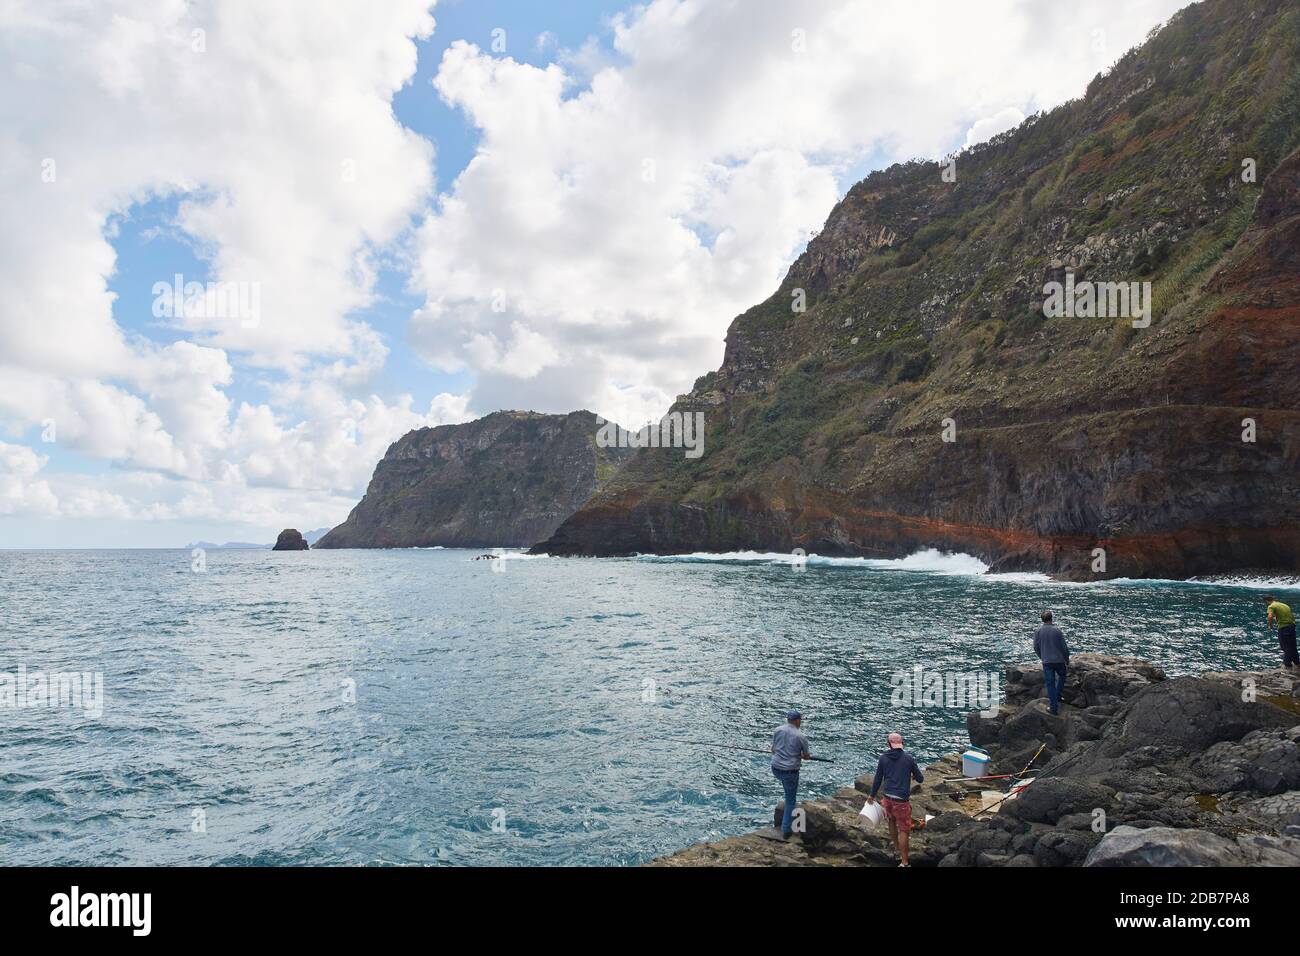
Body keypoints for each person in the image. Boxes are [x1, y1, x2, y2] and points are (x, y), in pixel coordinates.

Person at [866, 732, 924, 866]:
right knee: (904, 829)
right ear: (901, 744)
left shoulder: (883, 758)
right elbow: (920, 778)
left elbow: (878, 779)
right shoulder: (908, 759)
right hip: (901, 800)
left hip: (887, 797)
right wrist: (914, 776)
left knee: (891, 820)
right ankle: (904, 862)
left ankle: (897, 848)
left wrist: (872, 795)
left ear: (889, 744)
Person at [771, 710, 813, 840]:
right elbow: (806, 756)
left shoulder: (778, 730)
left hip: (775, 768)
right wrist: (805, 756)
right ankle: (786, 830)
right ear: (797, 721)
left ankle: (785, 822)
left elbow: (773, 749)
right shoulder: (801, 736)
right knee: (790, 801)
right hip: (789, 771)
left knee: (786, 787)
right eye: (800, 720)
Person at [1033, 610, 1070, 714]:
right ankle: (1058, 696)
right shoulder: (1057, 630)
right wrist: (1067, 659)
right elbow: (1064, 647)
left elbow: (1035, 647)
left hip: (1047, 662)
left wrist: (1042, 656)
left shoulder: (1038, 631)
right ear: (1051, 618)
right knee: (1062, 676)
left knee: (1050, 684)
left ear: (1042, 619)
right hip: (1059, 661)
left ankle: (1053, 708)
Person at [1265, 596, 1298, 671]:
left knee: (1285, 646)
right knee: (1293, 645)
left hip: (1283, 627)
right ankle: (1297, 662)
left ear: (1267, 601)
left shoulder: (1271, 606)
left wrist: (1270, 625)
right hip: (1291, 626)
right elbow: (1292, 616)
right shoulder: (1285, 605)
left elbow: (1270, 616)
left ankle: (1287, 664)